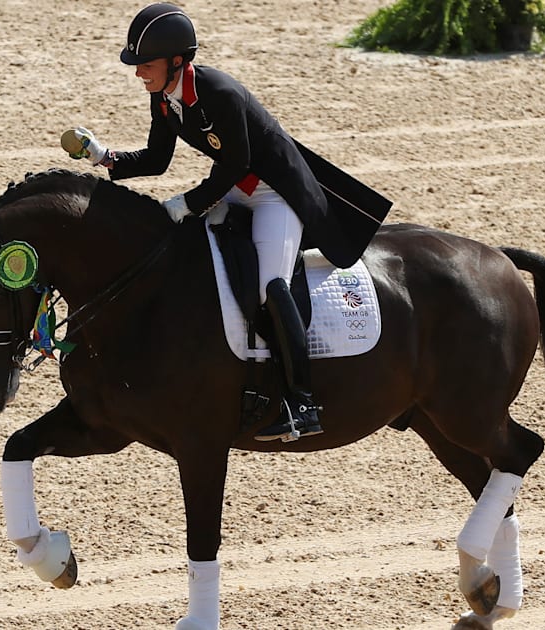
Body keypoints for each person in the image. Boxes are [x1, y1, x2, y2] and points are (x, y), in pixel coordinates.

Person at [64, 3, 388, 442]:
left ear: (177, 61)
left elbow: (237, 161)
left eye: (146, 65)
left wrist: (190, 203)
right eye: (137, 66)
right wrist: (106, 157)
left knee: (270, 284)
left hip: (277, 194)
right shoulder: (165, 98)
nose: (139, 73)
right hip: (238, 187)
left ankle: (302, 403)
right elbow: (158, 159)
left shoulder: (220, 93)